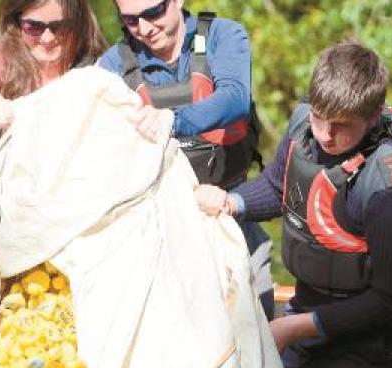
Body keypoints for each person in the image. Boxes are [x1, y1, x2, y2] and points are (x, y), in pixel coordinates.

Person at [195, 40, 392, 368]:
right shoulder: (305, 127)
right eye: (318, 117)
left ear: (374, 115)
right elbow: (281, 187)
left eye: (341, 126)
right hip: (310, 315)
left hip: (373, 348)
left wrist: (293, 328)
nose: (326, 135)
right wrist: (230, 202)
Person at [97, 0, 274, 319]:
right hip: (160, 232)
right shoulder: (112, 64)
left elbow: (235, 99)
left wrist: (172, 121)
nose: (145, 28)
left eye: (153, 13)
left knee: (259, 332)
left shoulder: (224, 35)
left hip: (229, 213)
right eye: (131, 20)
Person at [0, 0, 107, 130]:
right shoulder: (5, 57)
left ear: (78, 24)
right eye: (33, 27)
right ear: (16, 24)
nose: (47, 38)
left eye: (60, 27)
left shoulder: (100, 65)